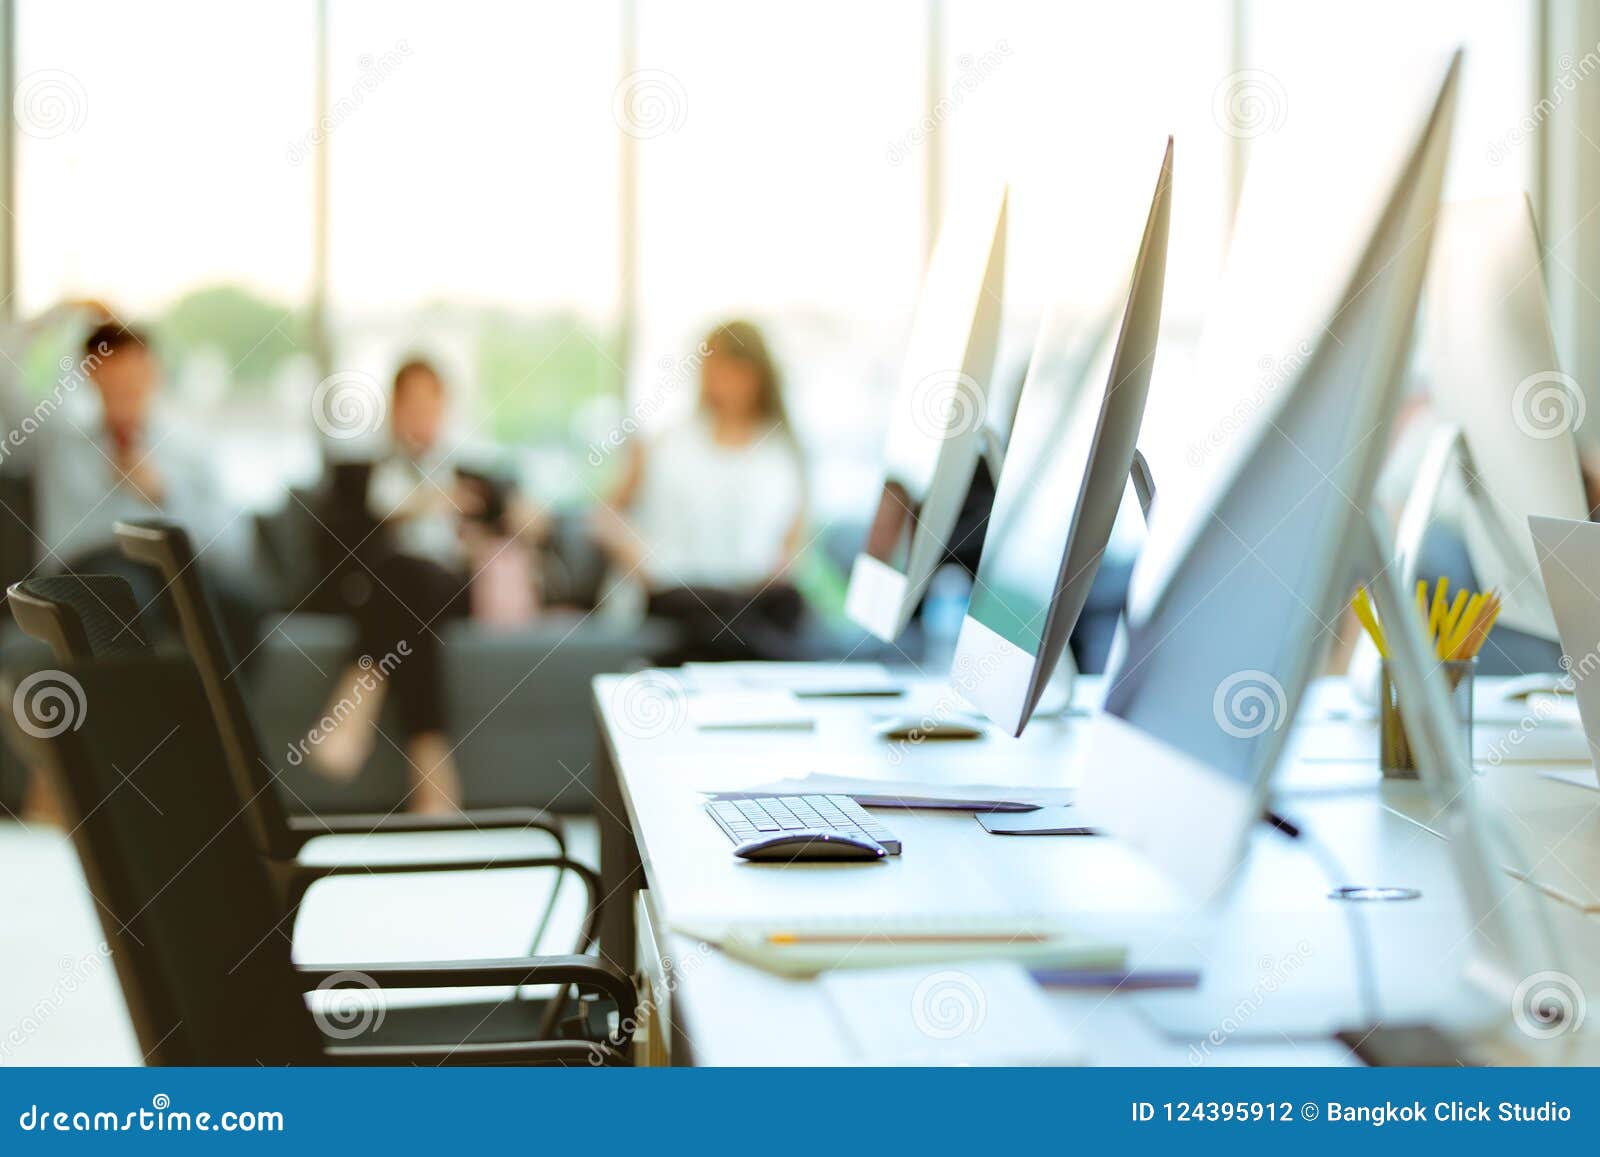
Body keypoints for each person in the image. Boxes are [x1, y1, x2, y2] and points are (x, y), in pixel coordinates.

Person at [307, 358, 545, 814]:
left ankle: (359, 692)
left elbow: (536, 525)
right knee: (403, 584)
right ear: (393, 407)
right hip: (376, 589)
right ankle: (431, 763)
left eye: (430, 403)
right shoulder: (356, 473)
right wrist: (412, 508)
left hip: (450, 589)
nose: (420, 414)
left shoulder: (472, 473)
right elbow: (332, 554)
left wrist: (492, 518)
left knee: (416, 578)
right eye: (410, 402)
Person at [33, 322, 261, 660]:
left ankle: (210, 711)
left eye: (133, 380)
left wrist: (163, 495)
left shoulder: (188, 451)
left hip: (173, 567)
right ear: (90, 378)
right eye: (113, 381)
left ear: (154, 374)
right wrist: (64, 313)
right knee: (122, 597)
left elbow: (234, 545)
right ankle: (131, 708)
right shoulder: (58, 442)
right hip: (89, 567)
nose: (124, 391)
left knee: (239, 605)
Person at [597, 320, 807, 662]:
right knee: (717, 616)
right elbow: (605, 515)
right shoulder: (664, 442)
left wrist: (776, 573)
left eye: (730, 367)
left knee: (783, 605)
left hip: (746, 596)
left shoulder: (782, 454)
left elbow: (791, 549)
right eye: (711, 365)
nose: (717, 378)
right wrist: (641, 566)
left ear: (755, 373)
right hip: (676, 592)